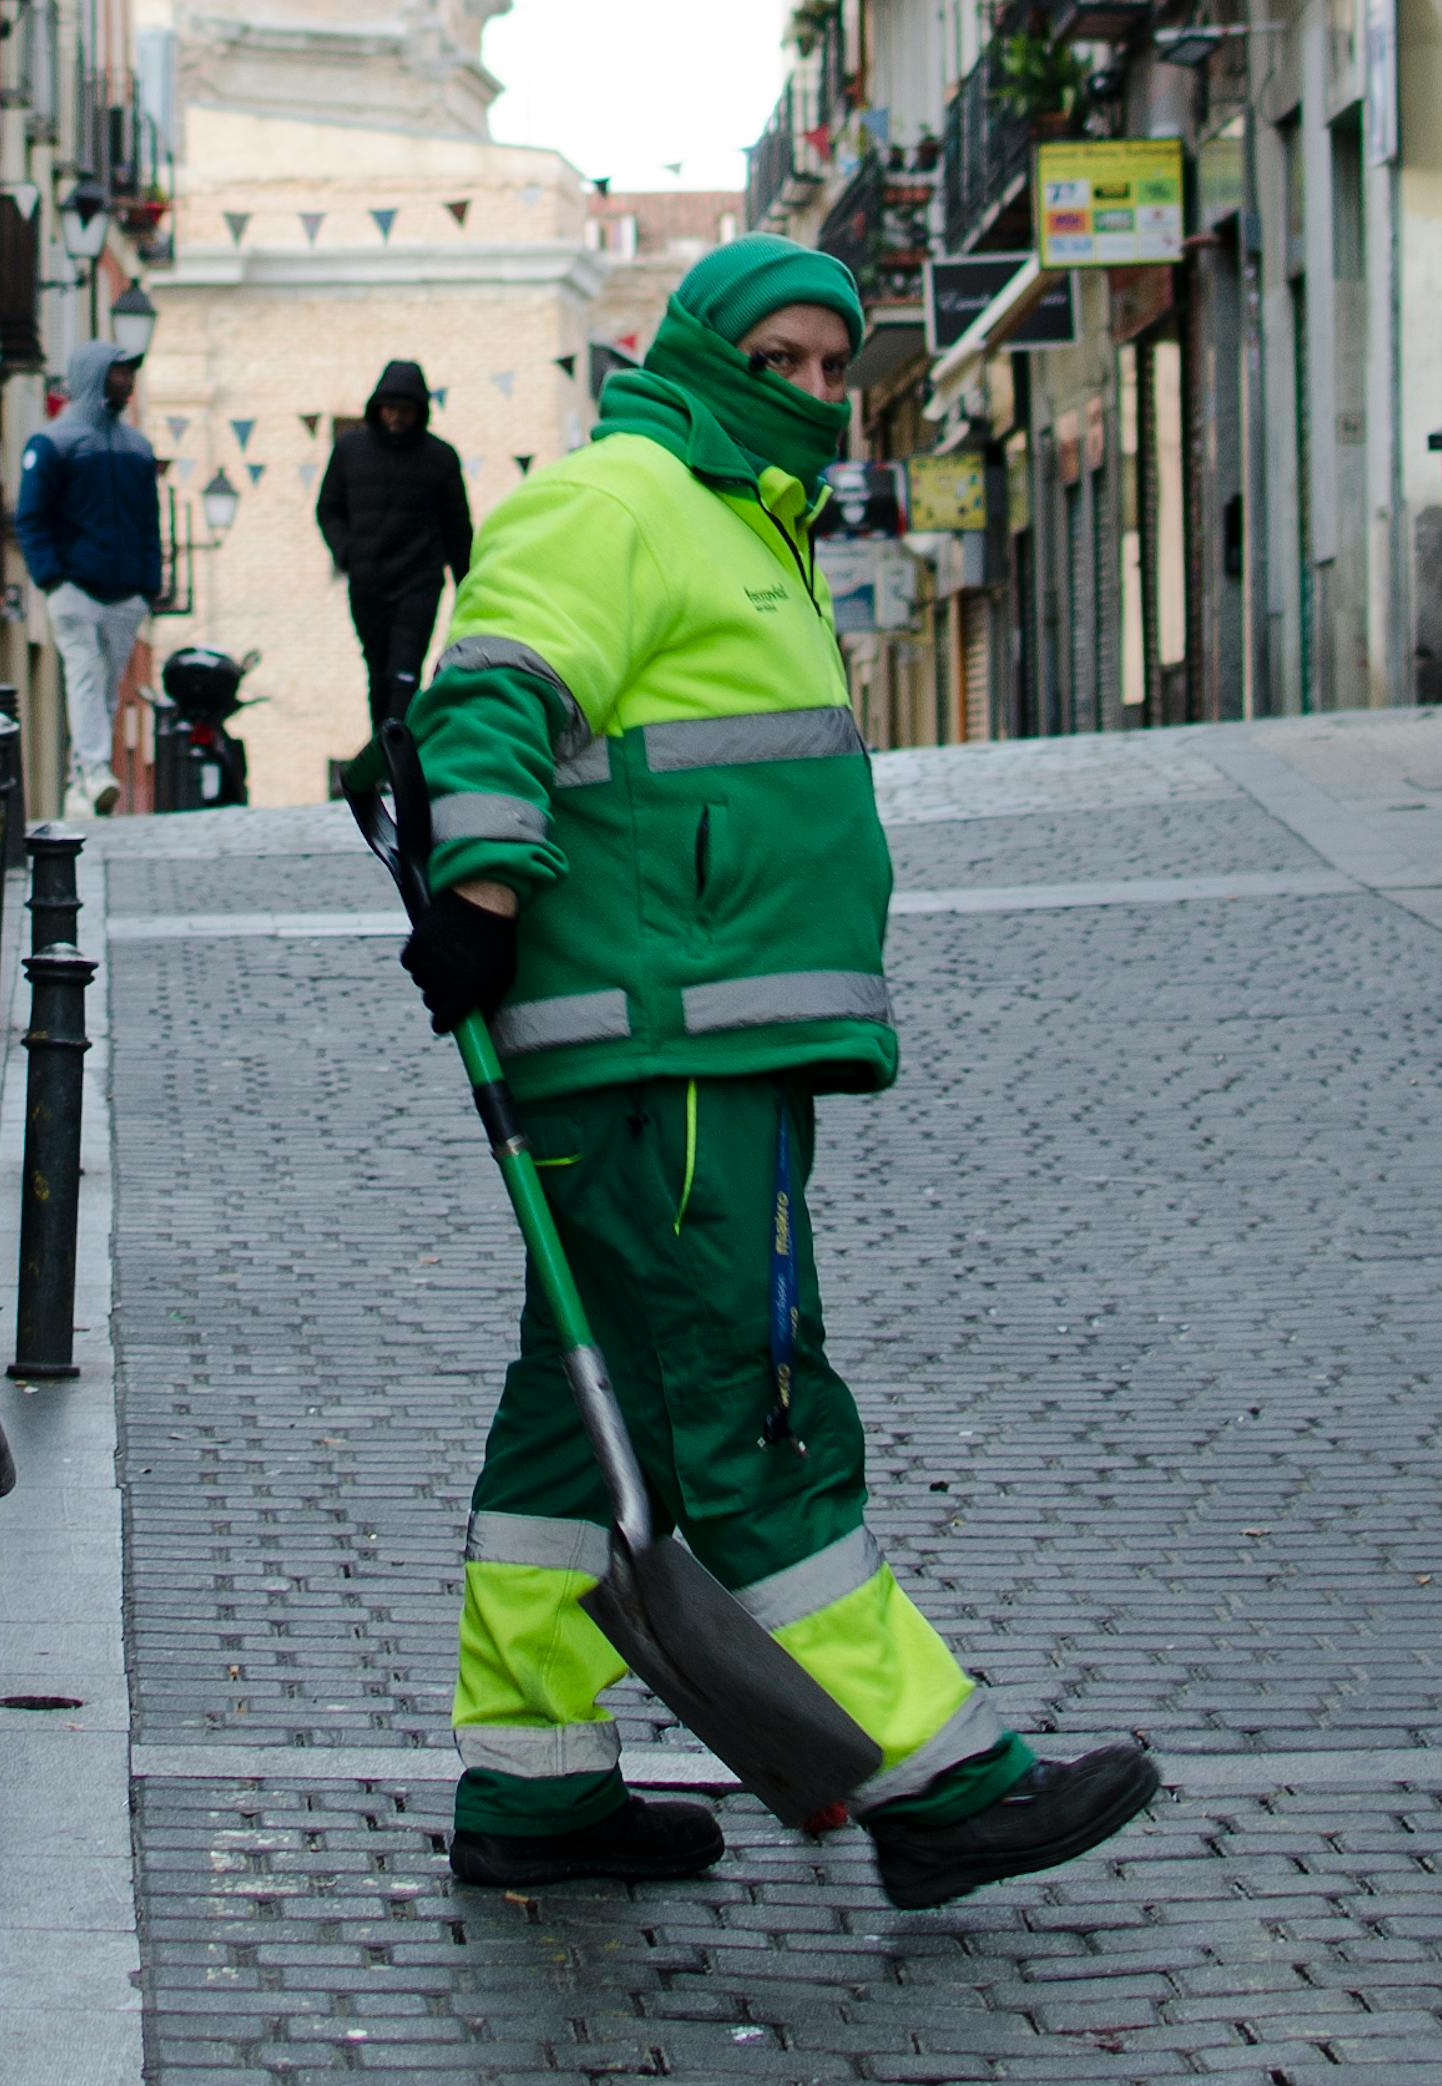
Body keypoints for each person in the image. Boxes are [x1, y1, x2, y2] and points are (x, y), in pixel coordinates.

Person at [400, 233, 1160, 1909]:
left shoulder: (749, 521)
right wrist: (481, 891)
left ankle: (531, 1785)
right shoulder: (622, 500)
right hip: (661, 1056)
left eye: (834, 367)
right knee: (751, 1411)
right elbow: (490, 694)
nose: (814, 392)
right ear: (702, 353)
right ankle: (936, 1772)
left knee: (574, 1427)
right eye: (785, 362)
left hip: (694, 1047)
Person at [16, 337, 160, 816]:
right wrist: (53, 578)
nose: (128, 382)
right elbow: (31, 517)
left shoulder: (139, 448)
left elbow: (149, 521)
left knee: (104, 687)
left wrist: (147, 584)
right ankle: (96, 769)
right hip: (74, 588)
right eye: (119, 373)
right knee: (85, 674)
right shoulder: (54, 443)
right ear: (94, 377)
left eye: (130, 373)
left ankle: (83, 781)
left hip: (125, 594)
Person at [315, 358, 474, 755]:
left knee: (405, 672)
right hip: (367, 581)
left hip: (419, 581)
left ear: (419, 411)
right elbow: (328, 507)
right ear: (377, 407)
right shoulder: (350, 449)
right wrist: (347, 552)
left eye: (404, 410)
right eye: (389, 409)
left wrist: (469, 586)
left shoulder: (440, 457)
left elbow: (458, 527)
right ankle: (384, 753)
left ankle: (398, 755)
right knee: (379, 673)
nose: (396, 418)